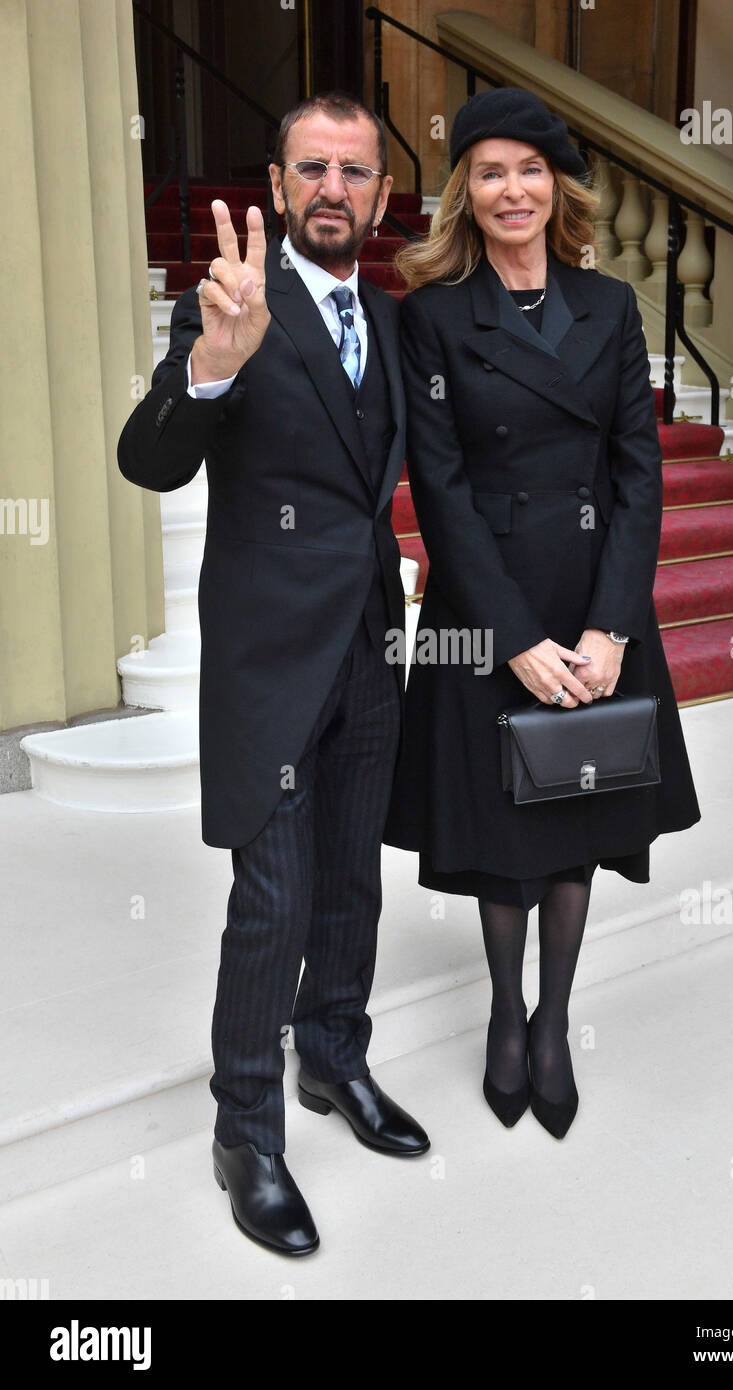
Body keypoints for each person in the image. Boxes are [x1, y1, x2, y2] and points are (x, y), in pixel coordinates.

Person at [118, 91, 429, 1256]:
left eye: (355, 171)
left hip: (367, 643)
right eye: (313, 168)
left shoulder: (395, 327)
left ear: (381, 196)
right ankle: (245, 1128)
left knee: (353, 879)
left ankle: (332, 1061)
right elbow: (147, 460)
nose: (334, 188)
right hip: (265, 660)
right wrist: (209, 362)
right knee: (275, 899)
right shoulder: (236, 306)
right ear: (277, 182)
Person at [384, 87, 701, 1140]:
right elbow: (440, 491)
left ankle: (554, 1020)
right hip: (490, 604)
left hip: (593, 597)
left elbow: (635, 476)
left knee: (573, 813)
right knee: (499, 824)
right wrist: (515, 638)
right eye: (487, 171)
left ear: (555, 187)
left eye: (527, 170)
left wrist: (611, 627)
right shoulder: (429, 317)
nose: (508, 189)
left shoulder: (608, 308)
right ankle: (504, 1015)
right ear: (462, 193)